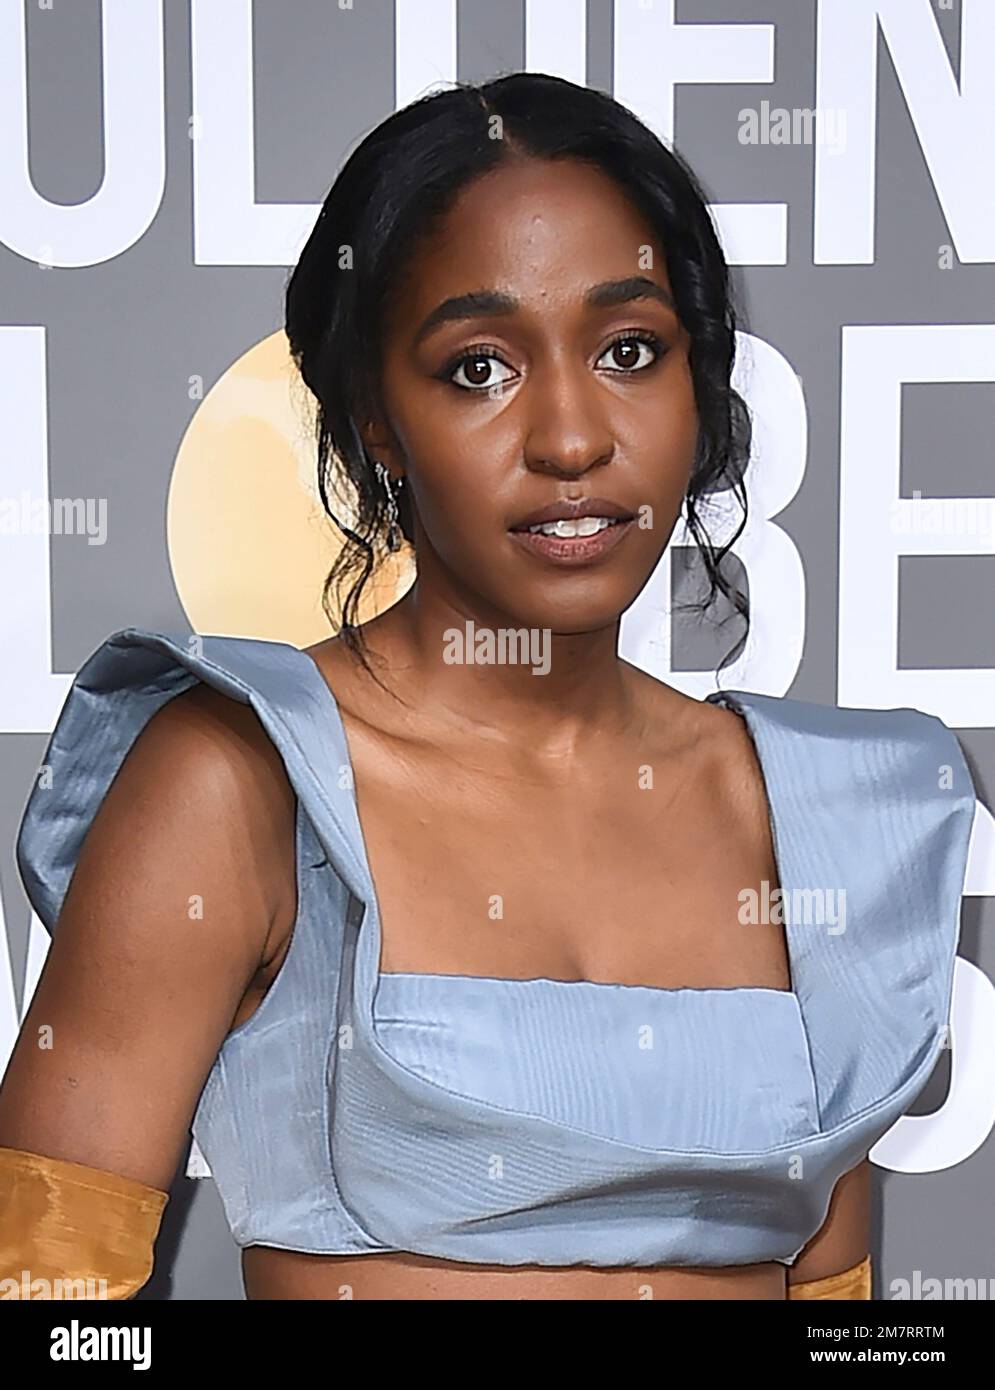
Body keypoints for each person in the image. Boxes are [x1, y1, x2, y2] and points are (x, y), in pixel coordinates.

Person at [0, 73, 973, 1301]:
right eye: (476, 368)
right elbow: (39, 1306)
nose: (571, 438)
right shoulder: (240, 781)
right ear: (374, 425)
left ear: (699, 380)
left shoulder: (826, 807)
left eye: (629, 349)